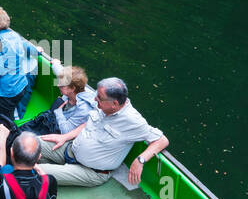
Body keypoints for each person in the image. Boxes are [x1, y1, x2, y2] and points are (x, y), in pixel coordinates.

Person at [36, 77, 170, 188]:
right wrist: (65, 137)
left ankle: (47, 169)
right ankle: (50, 166)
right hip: (70, 150)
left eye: (99, 98)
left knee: (34, 172)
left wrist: (140, 160)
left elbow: (162, 140)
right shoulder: (104, 106)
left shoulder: (133, 121)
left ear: (115, 103)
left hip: (90, 171)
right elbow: (87, 124)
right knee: (25, 145)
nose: (95, 100)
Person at [0, 7, 42, 123]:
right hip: (21, 84)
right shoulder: (14, 35)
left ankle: (5, 130)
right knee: (9, 110)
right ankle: (13, 117)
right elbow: (28, 48)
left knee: (2, 118)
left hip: (7, 89)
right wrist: (37, 50)